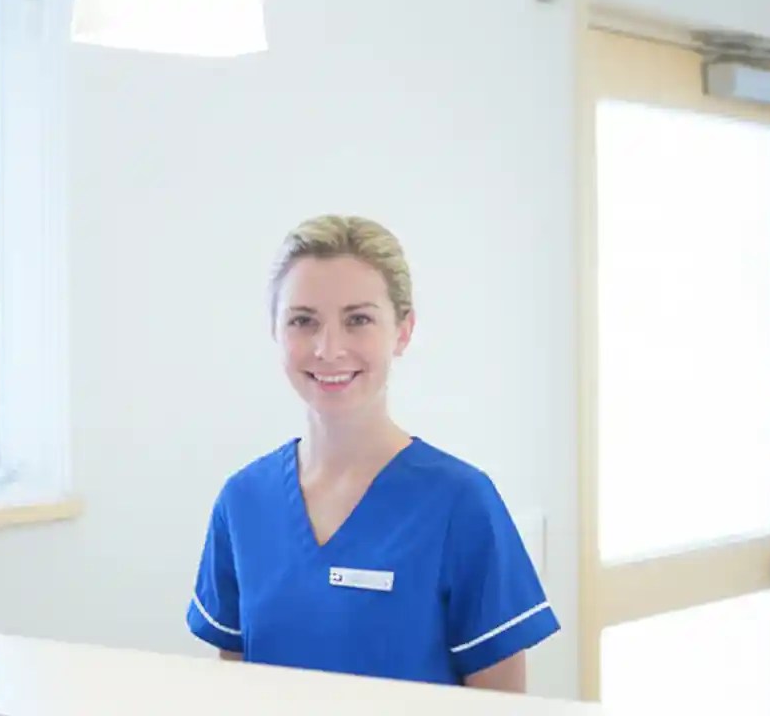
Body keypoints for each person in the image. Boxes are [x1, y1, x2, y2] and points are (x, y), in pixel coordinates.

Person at [185, 214, 559, 692]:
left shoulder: (460, 503)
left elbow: (503, 704)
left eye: (358, 320)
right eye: (303, 321)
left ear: (403, 331)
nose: (328, 348)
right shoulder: (243, 502)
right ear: (276, 332)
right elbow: (232, 690)